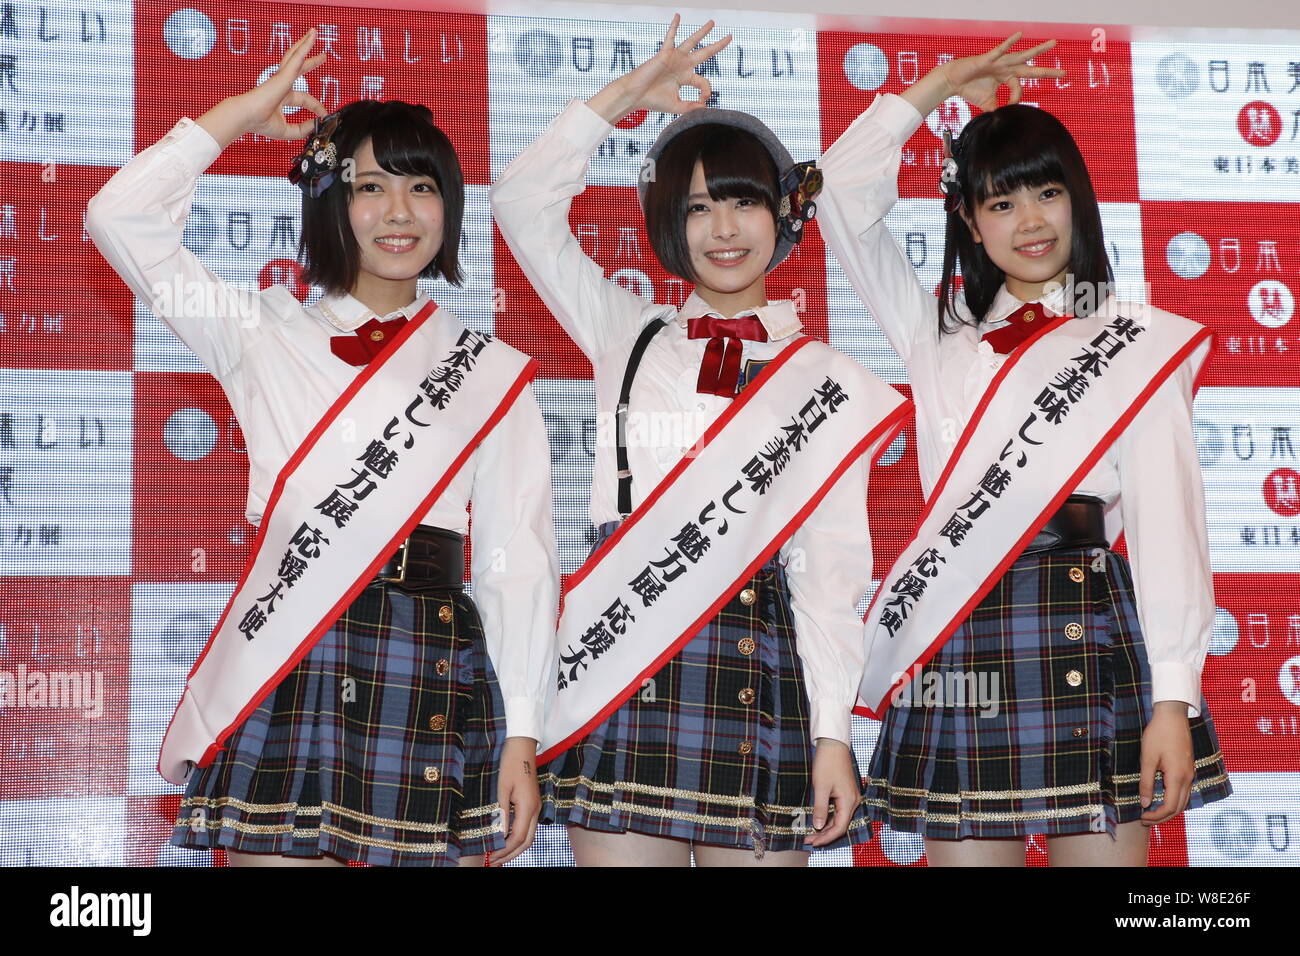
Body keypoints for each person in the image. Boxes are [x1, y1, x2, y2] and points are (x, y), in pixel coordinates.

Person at [86, 28, 558, 867]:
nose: (400, 212)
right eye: (370, 187)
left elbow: (515, 561)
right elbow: (117, 218)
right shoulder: (263, 330)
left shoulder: (489, 372)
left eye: (422, 186)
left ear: (450, 205)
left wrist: (523, 729)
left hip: (427, 651)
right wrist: (238, 116)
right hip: (296, 640)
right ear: (329, 203)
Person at [492, 16, 908, 866]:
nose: (722, 227)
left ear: (784, 214)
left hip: (762, 658)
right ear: (669, 226)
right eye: (698, 205)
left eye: (744, 199)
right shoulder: (627, 331)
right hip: (625, 648)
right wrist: (626, 98)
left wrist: (832, 732)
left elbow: (829, 567)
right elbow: (520, 204)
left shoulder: (823, 373)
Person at [817, 33, 1231, 866]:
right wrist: (935, 88)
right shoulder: (939, 334)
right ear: (968, 219)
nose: (1030, 221)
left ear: (1078, 199)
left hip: (1081, 623)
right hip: (960, 628)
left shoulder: (1132, 341)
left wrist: (1173, 701)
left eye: (1046, 192)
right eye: (1001, 203)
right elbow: (838, 195)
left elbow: (1166, 528)